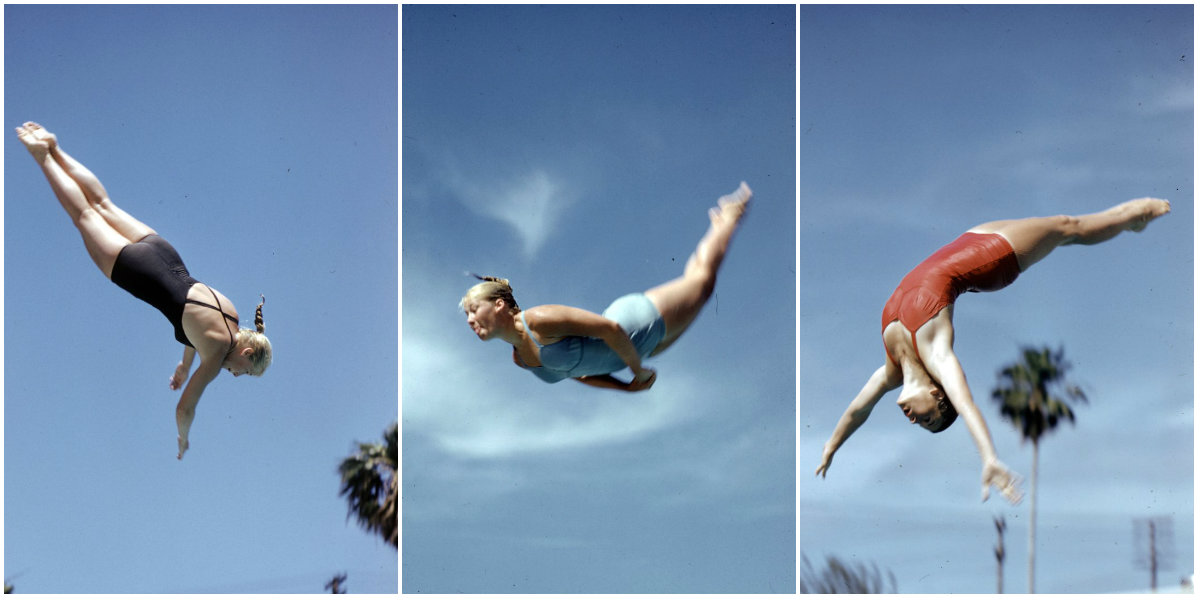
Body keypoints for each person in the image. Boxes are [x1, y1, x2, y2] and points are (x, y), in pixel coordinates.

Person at [815, 198, 1170, 503]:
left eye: (922, 421)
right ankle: (1130, 220)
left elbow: (857, 410)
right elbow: (967, 404)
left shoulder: (891, 369)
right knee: (1067, 228)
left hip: (971, 239)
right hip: (994, 261)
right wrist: (989, 458)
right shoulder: (937, 354)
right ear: (939, 393)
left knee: (1067, 229)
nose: (912, 419)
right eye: (926, 419)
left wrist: (831, 447)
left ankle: (1128, 221)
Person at [15, 122, 272, 460]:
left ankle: (55, 148)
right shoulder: (216, 353)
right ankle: (43, 157)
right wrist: (183, 438)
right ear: (248, 354)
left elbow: (196, 327)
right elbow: (185, 410)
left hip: (162, 251)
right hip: (135, 270)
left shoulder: (230, 315)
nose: (235, 375)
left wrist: (183, 367)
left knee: (102, 204)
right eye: (244, 373)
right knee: (84, 215)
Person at [460, 182, 751, 391]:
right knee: (700, 285)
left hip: (638, 323)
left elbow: (610, 330)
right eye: (467, 316)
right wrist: (626, 386)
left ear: (499, 305)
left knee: (701, 284)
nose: (470, 320)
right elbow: (579, 374)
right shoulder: (520, 359)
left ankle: (727, 217)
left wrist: (636, 370)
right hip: (637, 352)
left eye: (474, 310)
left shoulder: (538, 320)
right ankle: (721, 224)